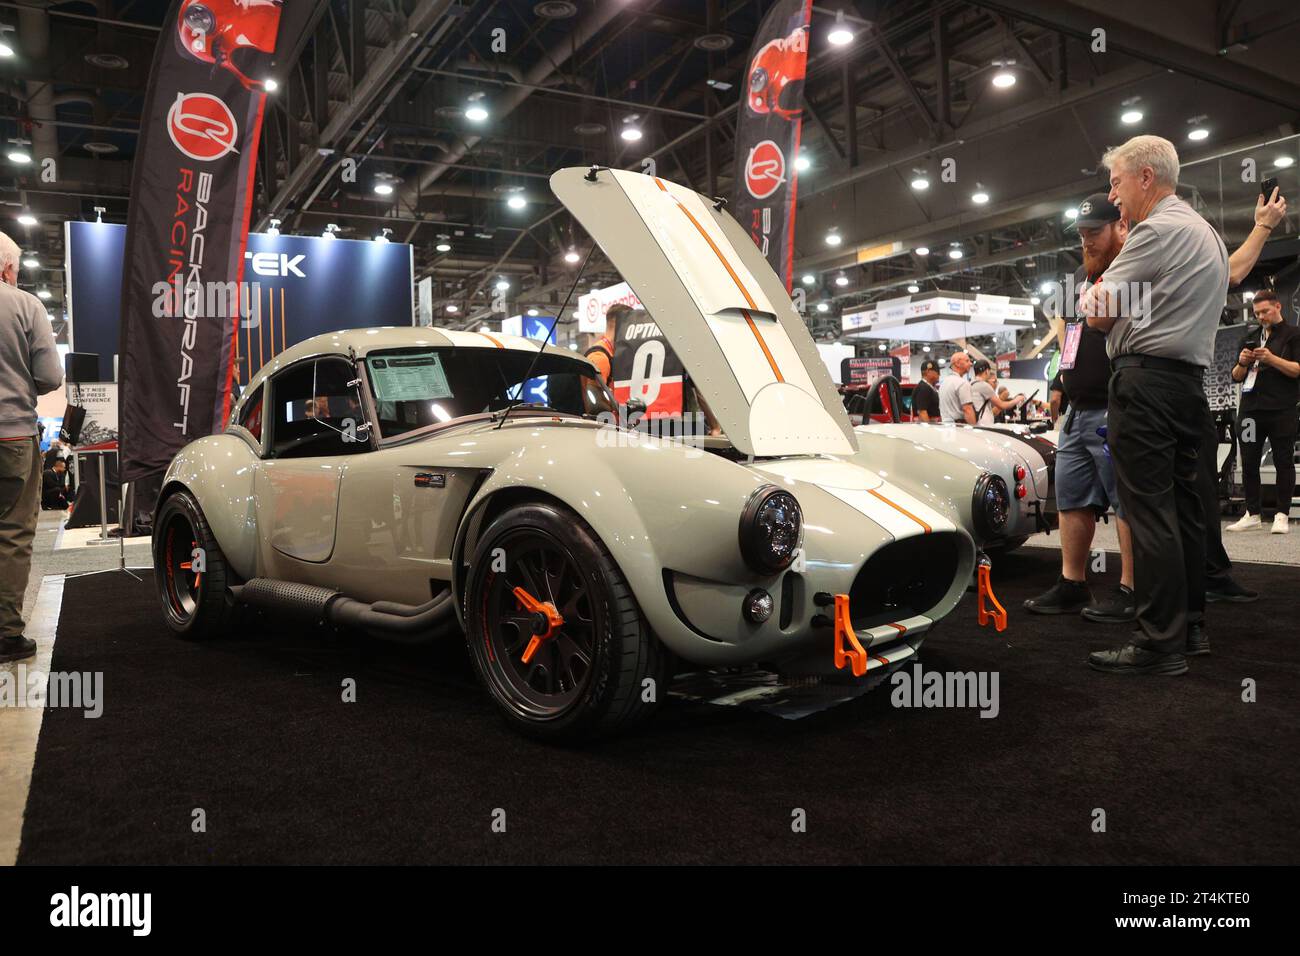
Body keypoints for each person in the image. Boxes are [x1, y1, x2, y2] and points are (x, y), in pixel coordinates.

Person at [1079, 135, 1227, 675]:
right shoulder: (1205, 233)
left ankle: (1158, 644)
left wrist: (1102, 299)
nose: (1112, 196)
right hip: (1189, 386)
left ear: (1145, 177)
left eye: (1116, 183)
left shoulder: (1155, 231)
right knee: (1186, 511)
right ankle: (1188, 629)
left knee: (1150, 513)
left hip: (1145, 386)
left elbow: (1096, 313)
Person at [1025, 193, 1135, 623]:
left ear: (1119, 228)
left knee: (1125, 501)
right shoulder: (1079, 275)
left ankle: (1131, 588)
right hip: (1077, 409)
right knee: (1071, 499)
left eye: (1095, 232)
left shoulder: (1129, 270)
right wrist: (1058, 383)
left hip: (1115, 405)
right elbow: (1071, 335)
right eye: (1083, 234)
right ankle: (1073, 582)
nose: (1087, 241)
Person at [0, 230, 64, 662]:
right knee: (11, 534)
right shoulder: (24, 305)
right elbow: (50, 377)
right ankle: (5, 634)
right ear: (7, 269)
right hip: (12, 435)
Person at [1225, 289, 1298, 534]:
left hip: (1281, 410)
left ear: (1278, 307)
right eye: (1257, 313)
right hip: (1250, 410)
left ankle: (1281, 514)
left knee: (1283, 461)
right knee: (1249, 462)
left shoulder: (1294, 334)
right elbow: (1236, 376)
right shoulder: (1251, 336)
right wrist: (1242, 362)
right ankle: (1252, 513)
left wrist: (1271, 359)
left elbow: (1297, 370)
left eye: (1265, 311)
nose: (1261, 316)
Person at [584, 303, 630, 389]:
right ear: (619, 323)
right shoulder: (600, 357)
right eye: (630, 324)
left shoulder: (611, 352)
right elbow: (595, 400)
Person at [969, 360, 1022, 425]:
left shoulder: (970, 384)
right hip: (984, 424)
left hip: (976, 422)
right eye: (994, 381)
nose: (996, 384)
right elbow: (1002, 405)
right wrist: (1017, 399)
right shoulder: (984, 385)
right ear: (987, 371)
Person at [938, 350, 976, 424]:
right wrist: (974, 429)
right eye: (967, 361)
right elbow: (967, 410)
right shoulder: (962, 383)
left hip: (945, 426)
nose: (971, 364)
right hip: (959, 427)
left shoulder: (944, 382)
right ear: (958, 363)